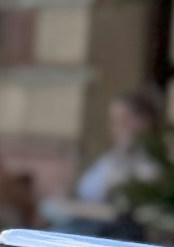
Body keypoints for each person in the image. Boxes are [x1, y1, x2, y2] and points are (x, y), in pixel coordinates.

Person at [44, 91, 160, 235]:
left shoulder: (149, 163)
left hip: (107, 234)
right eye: (113, 122)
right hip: (80, 226)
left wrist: (75, 208)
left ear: (143, 122)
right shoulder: (110, 157)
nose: (116, 128)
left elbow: (121, 209)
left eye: (123, 121)